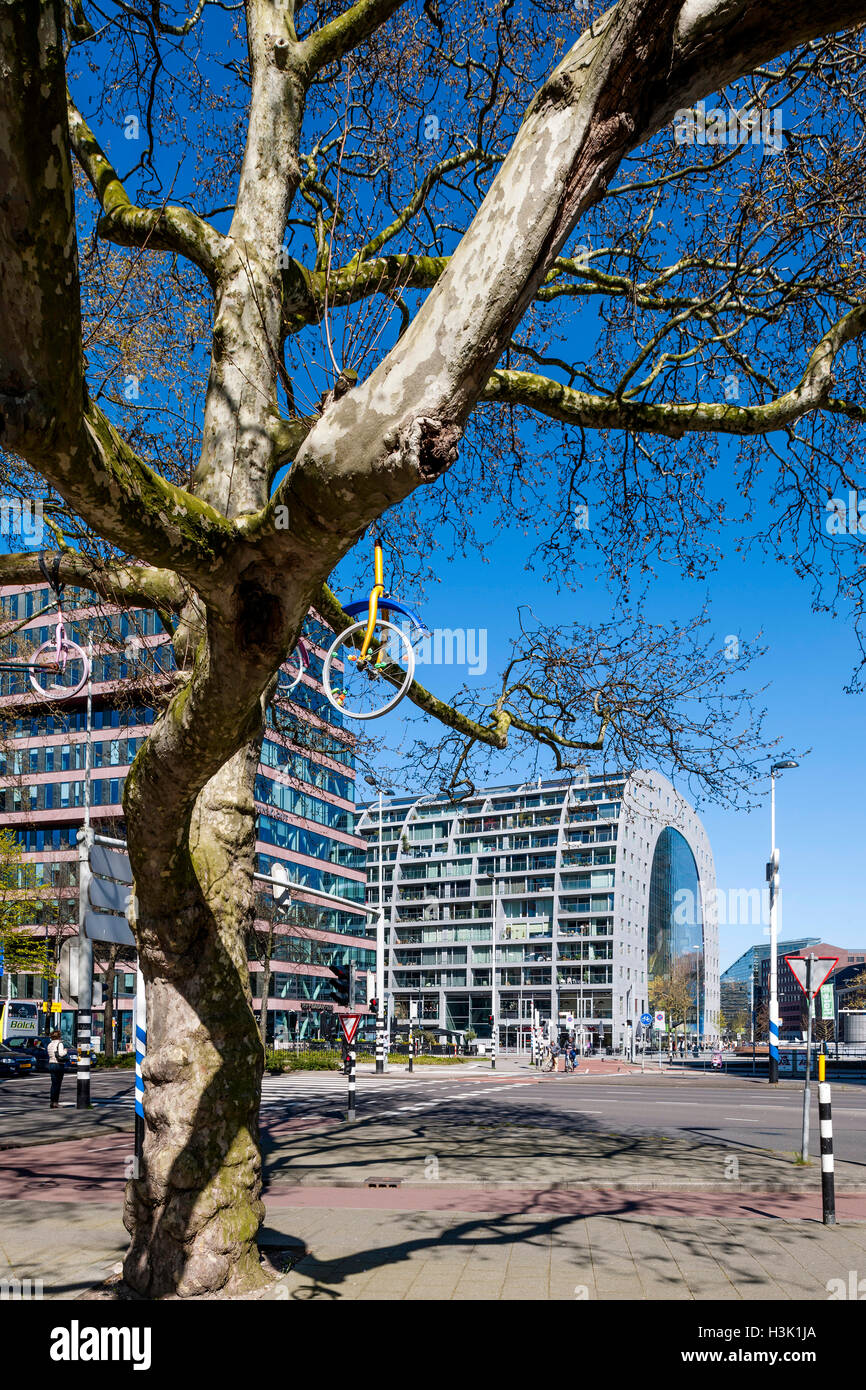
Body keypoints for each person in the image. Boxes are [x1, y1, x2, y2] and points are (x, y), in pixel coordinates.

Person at [47, 1030, 67, 1108]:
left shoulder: (49, 1044)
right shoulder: (60, 1043)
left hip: (51, 1064)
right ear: (59, 1036)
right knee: (58, 1084)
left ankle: (52, 1102)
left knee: (53, 1084)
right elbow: (61, 1054)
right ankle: (55, 1102)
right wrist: (65, 1051)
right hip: (58, 1064)